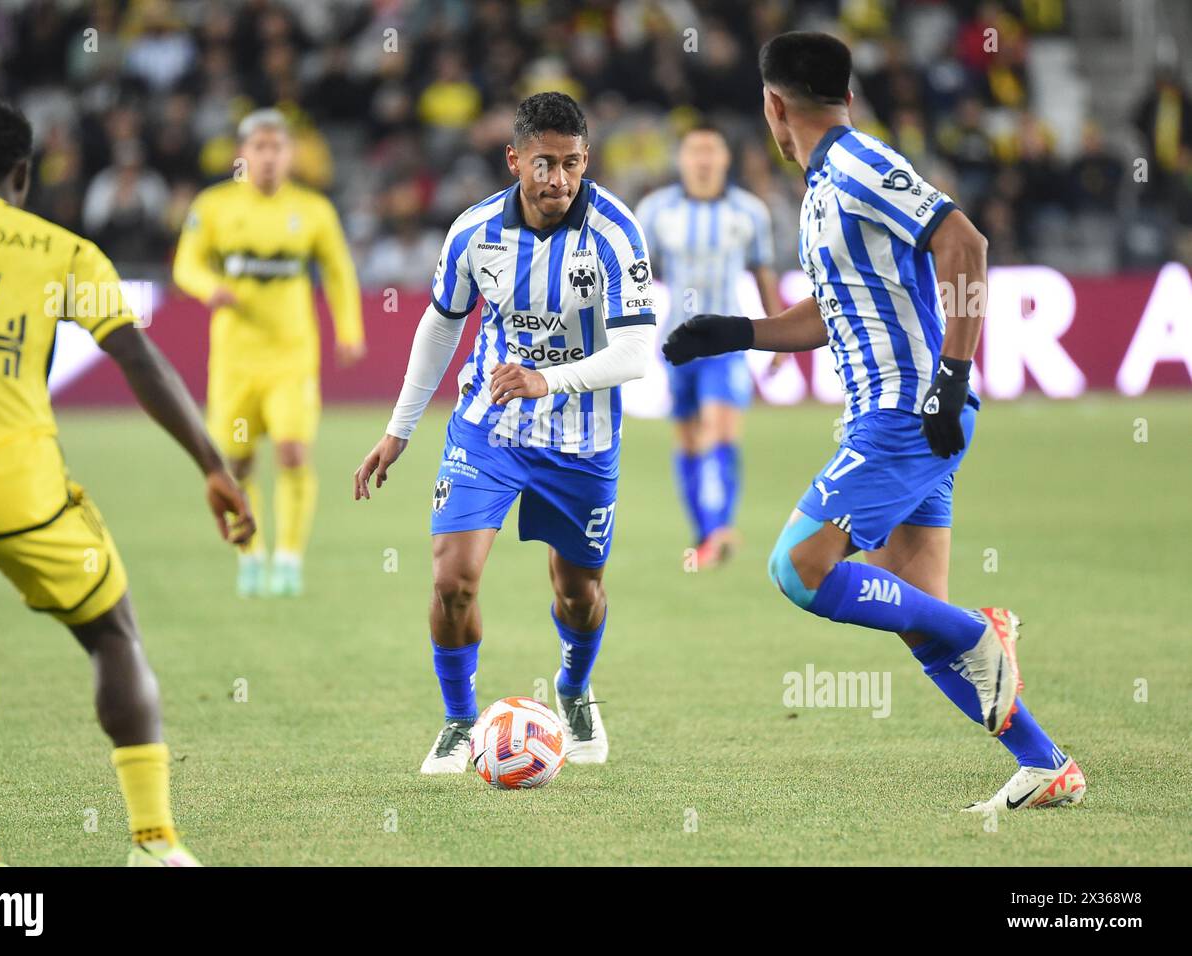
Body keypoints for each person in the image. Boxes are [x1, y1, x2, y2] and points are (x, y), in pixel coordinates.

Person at [663, 33, 1084, 812]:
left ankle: (981, 631)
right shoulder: (824, 186)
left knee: (797, 566)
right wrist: (738, 332)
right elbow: (835, 311)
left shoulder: (859, 166)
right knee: (913, 616)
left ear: (772, 106)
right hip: (901, 415)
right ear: (846, 96)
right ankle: (1044, 761)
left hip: (905, 413)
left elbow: (966, 242)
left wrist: (953, 377)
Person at [0, 101, 253, 866]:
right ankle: (154, 842)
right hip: (23, 491)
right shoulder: (61, 249)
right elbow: (136, 359)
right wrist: (213, 465)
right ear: (24, 173)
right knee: (110, 633)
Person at [354, 92, 656, 773]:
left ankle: (575, 692)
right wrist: (400, 429)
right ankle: (461, 720)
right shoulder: (473, 231)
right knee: (451, 579)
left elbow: (638, 351)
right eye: (544, 163)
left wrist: (550, 380)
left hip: (582, 440)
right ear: (514, 158)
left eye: (573, 164)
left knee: (577, 593)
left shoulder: (616, 232)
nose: (559, 180)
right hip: (488, 428)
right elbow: (441, 324)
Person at [173, 108, 365, 598]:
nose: (268, 158)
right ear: (243, 154)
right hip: (235, 358)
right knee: (235, 465)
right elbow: (185, 265)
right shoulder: (213, 206)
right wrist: (208, 287)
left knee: (293, 451)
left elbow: (339, 271)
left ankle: (289, 558)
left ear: (290, 154)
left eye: (277, 148)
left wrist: (349, 329)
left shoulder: (314, 210)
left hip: (292, 355)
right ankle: (250, 555)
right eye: (259, 148)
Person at [635, 123, 785, 565]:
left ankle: (720, 528)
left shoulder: (749, 212)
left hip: (726, 342)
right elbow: (639, 273)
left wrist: (775, 335)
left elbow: (763, 271)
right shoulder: (656, 210)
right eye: (693, 152)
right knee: (687, 439)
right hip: (676, 342)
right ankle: (704, 534)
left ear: (724, 160)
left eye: (711, 151)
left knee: (719, 429)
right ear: (681, 161)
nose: (702, 160)